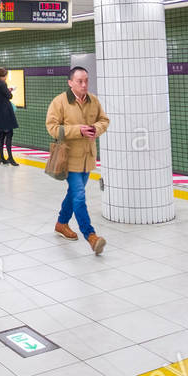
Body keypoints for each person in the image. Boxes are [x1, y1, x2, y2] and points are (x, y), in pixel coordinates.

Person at [45, 66, 110, 255]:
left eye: (86, 80)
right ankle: (91, 237)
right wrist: (78, 130)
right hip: (69, 159)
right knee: (79, 196)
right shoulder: (60, 102)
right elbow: (52, 128)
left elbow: (104, 120)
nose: (84, 84)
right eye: (80, 81)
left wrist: (96, 129)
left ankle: (61, 223)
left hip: (87, 159)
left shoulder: (93, 101)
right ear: (70, 82)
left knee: (73, 194)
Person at [0, 67, 19, 166]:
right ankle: (10, 158)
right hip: (6, 112)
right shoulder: (2, 84)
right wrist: (10, 91)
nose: (6, 77)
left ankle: (1, 157)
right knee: (9, 134)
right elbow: (9, 96)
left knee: (2, 135)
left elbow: (1, 95)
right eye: (5, 75)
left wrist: (7, 90)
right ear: (2, 76)